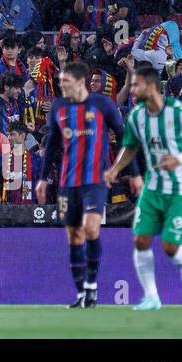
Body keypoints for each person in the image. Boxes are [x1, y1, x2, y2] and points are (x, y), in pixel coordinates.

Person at [105, 63, 182, 310]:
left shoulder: (179, 111)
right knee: (141, 240)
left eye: (136, 84)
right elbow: (130, 146)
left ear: (151, 85)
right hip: (154, 186)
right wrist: (115, 168)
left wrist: (181, 157)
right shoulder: (137, 116)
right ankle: (152, 297)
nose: (131, 89)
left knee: (169, 245)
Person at [37, 61, 128, 308]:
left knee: (91, 229)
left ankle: (91, 286)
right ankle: (81, 293)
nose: (61, 86)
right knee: (74, 236)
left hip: (95, 181)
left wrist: (126, 170)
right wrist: (43, 179)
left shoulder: (102, 104)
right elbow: (53, 144)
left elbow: (125, 138)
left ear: (79, 82)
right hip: (68, 183)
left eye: (65, 82)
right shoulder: (58, 106)